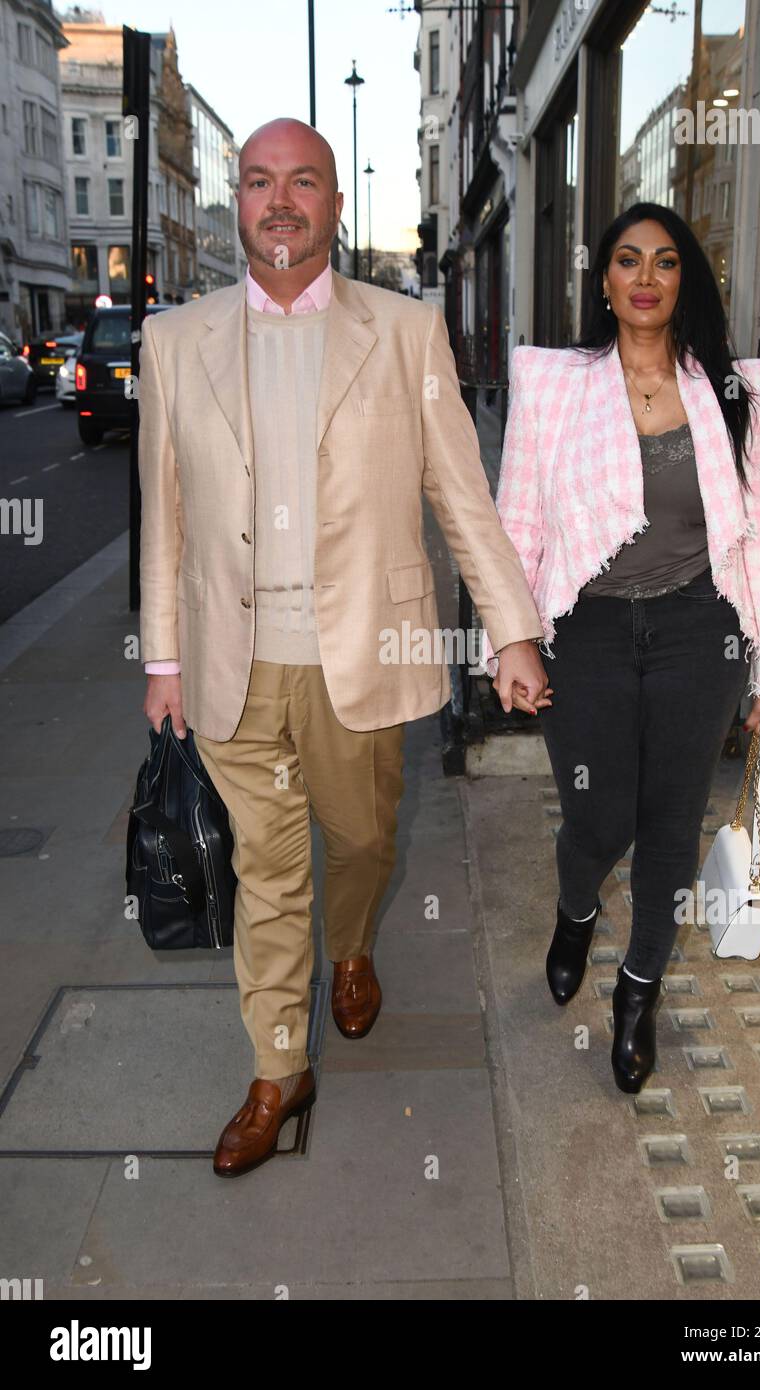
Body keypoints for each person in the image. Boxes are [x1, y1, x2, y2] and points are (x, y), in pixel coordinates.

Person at [138, 117, 551, 1177]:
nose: (280, 200)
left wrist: (509, 628)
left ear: (332, 204)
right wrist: (163, 660)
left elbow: (458, 491)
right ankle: (279, 1067)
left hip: (356, 651)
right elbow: (164, 514)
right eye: (260, 182)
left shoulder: (404, 333)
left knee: (363, 841)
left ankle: (353, 944)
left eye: (304, 182)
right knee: (268, 870)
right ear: (238, 200)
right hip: (234, 658)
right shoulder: (175, 341)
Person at [485, 201, 760, 1094]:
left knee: (672, 820)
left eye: (665, 262)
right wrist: (512, 641)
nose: (648, 277)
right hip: (586, 630)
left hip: (701, 629)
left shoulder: (731, 392)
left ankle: (638, 991)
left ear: (685, 278)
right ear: (606, 281)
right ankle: (576, 908)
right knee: (599, 815)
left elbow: (759, 538)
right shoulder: (556, 386)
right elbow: (518, 524)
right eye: (629, 261)